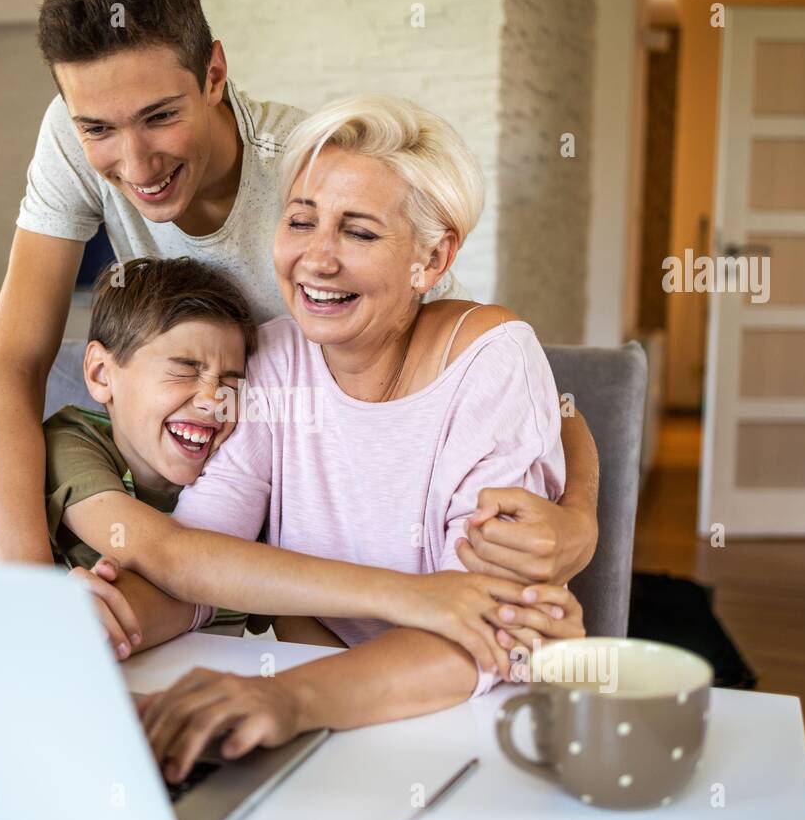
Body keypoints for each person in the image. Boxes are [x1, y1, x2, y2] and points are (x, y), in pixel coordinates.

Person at [0, 0, 600, 591]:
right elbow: (13, 363)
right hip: (202, 527)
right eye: (98, 129)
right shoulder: (72, 131)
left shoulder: (315, 180)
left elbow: (493, 383)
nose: (137, 166)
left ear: (215, 74)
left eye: (162, 117)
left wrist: (579, 517)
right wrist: (27, 597)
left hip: (286, 548)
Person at [124, 94, 584, 783]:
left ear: (431, 258)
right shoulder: (276, 353)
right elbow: (201, 560)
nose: (317, 258)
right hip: (322, 718)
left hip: (470, 731)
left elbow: (485, 632)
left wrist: (285, 697)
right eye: (301, 221)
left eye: (359, 233)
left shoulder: (492, 360)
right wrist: (110, 617)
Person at [45, 255, 580, 677]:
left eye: (232, 381)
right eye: (184, 370)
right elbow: (177, 559)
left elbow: (215, 598)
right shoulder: (74, 441)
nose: (214, 400)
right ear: (100, 373)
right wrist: (417, 598)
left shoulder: (242, 468)